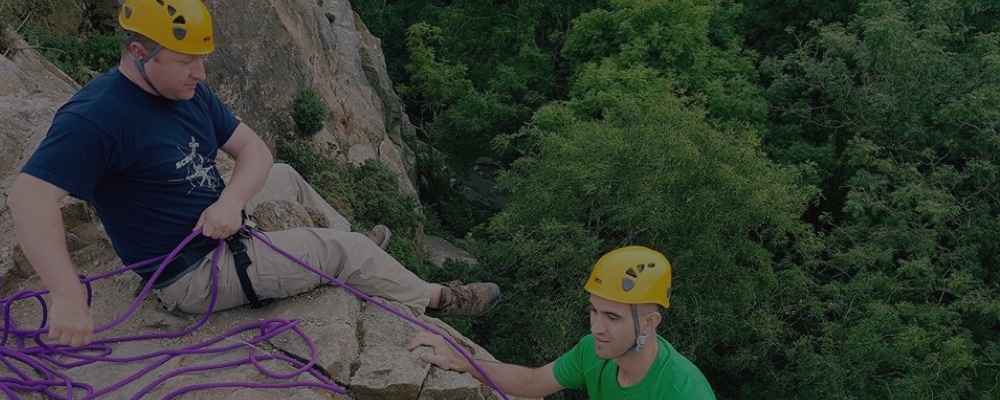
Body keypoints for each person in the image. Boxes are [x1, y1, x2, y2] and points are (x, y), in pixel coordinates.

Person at [6, 0, 500, 348]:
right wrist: (68, 296)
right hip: (191, 272)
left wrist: (231, 202)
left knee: (284, 173)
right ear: (139, 52)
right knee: (342, 253)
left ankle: (357, 248)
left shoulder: (186, 89)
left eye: (202, 58)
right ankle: (435, 298)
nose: (200, 73)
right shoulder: (97, 119)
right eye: (185, 60)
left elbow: (254, 150)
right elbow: (28, 197)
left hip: (217, 216)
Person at [408, 246, 716, 399]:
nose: (596, 327)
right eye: (594, 311)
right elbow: (533, 382)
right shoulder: (592, 352)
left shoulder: (684, 391)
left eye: (612, 317)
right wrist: (461, 360)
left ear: (649, 322)